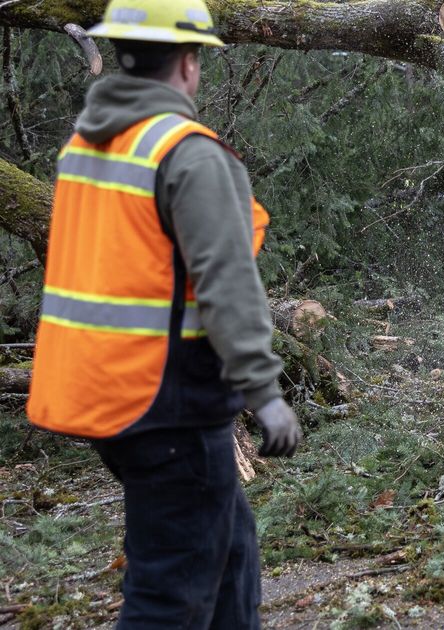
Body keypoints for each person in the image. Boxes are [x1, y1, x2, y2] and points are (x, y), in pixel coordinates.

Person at [25, 0, 300, 626]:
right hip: (166, 400)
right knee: (170, 597)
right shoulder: (188, 152)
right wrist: (266, 393)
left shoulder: (91, 142)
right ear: (188, 61)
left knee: (231, 559)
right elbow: (227, 285)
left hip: (109, 395)